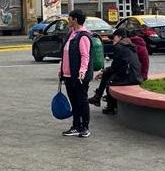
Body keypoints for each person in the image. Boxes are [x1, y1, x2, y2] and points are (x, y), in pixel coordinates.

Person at [88, 28, 142, 114]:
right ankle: (97, 98)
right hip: (133, 74)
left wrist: (104, 71)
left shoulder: (119, 47)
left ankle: (111, 107)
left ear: (119, 37)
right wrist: (104, 71)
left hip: (129, 77)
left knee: (109, 83)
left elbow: (115, 67)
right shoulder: (128, 45)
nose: (113, 39)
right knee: (107, 74)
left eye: (114, 37)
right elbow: (117, 65)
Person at [59, 9, 93, 138]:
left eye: (70, 18)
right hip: (68, 75)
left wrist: (82, 71)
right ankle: (76, 126)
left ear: (76, 20)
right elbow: (65, 54)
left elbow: (85, 56)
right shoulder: (71, 34)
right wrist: (61, 69)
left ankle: (85, 127)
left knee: (82, 101)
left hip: (79, 76)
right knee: (74, 101)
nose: (68, 20)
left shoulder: (83, 36)